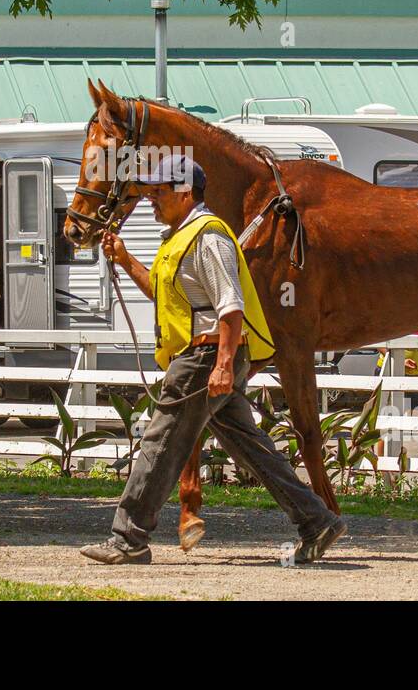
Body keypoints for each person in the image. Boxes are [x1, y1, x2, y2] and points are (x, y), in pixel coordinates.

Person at [79, 154, 344, 565]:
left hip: (206, 357)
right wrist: (126, 260)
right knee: (250, 448)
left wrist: (222, 364)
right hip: (207, 356)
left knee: (160, 441)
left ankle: (127, 538)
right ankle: (317, 520)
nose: (151, 199)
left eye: (159, 191)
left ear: (185, 193)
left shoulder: (208, 237)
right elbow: (165, 296)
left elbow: (231, 307)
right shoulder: (179, 237)